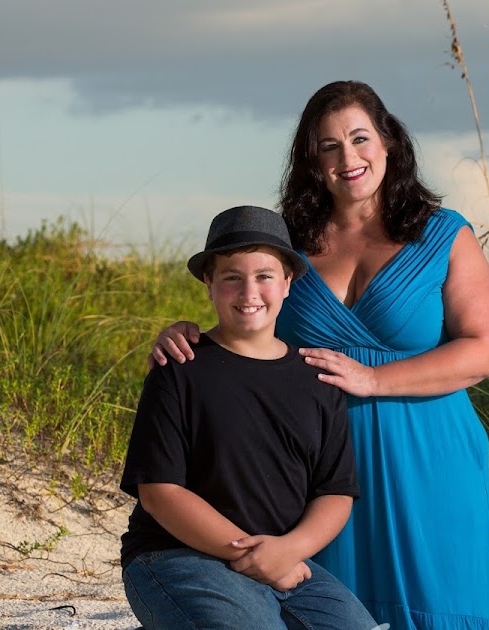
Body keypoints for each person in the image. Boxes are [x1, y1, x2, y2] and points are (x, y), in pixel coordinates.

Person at [151, 81, 489, 629]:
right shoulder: (288, 241)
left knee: (443, 607)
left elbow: (482, 353)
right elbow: (249, 314)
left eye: (360, 138)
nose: (349, 158)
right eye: (329, 146)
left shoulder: (444, 234)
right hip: (314, 461)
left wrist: (374, 379)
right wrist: (185, 334)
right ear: (311, 161)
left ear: (389, 142)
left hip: (429, 450)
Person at [121, 205, 378, 630]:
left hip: (283, 558)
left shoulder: (317, 380)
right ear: (209, 283)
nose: (249, 292)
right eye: (231, 278)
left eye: (264, 276)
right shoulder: (180, 368)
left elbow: (335, 492)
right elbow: (160, 492)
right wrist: (251, 555)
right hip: (177, 553)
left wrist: (287, 550)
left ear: (288, 283)